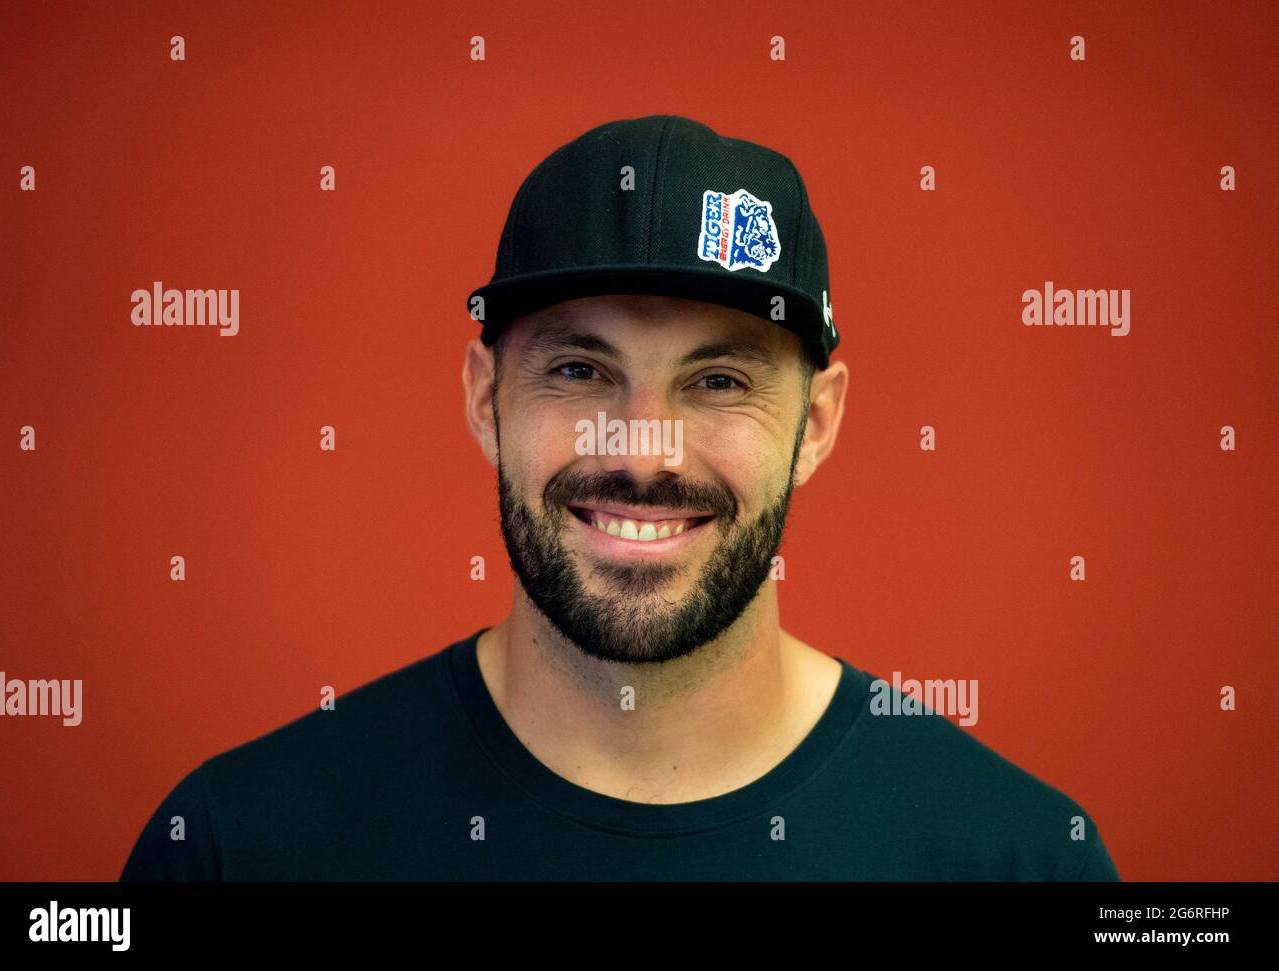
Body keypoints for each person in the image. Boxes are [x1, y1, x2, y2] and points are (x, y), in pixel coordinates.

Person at [121, 115, 1119, 880]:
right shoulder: (236, 844)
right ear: (484, 399)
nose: (644, 446)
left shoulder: (1020, 860)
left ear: (815, 423)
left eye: (718, 380)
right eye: (578, 371)